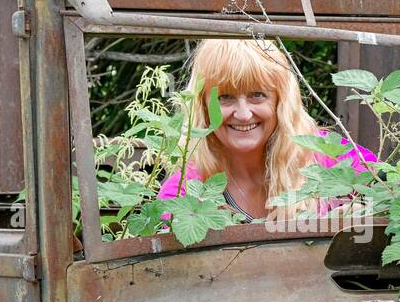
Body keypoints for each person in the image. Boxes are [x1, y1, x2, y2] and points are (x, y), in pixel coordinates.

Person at [156, 38, 376, 221]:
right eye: (225, 97)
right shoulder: (185, 190)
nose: (243, 114)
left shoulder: (327, 154)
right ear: (203, 106)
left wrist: (363, 211)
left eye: (257, 95)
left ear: (281, 101)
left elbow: (391, 190)